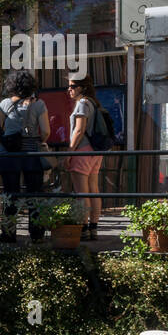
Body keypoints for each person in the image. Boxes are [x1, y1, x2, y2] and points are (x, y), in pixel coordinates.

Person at [0, 71, 50, 242]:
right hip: (31, 152)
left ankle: (9, 233)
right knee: (35, 193)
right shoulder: (39, 104)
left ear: (11, 85)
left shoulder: (4, 103)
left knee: (10, 193)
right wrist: (38, 139)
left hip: (9, 153)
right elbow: (46, 131)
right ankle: (36, 234)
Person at [67, 76, 104, 240]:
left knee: (82, 192)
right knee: (93, 190)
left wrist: (69, 153)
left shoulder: (82, 103)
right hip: (96, 151)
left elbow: (79, 130)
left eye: (72, 86)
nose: (69, 90)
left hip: (82, 150)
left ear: (82, 87)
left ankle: (83, 230)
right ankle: (93, 228)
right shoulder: (94, 102)